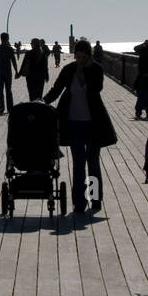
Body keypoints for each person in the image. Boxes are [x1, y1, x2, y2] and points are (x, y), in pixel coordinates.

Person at [44, 38, 116, 214]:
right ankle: (79, 202)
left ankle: (96, 199)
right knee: (78, 164)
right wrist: (42, 101)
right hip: (73, 122)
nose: (80, 60)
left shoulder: (96, 69)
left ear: (89, 56)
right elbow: (57, 88)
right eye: (77, 57)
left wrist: (85, 72)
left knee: (93, 163)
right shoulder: (69, 70)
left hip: (93, 123)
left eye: (83, 57)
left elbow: (96, 89)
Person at [0, 31, 18, 115]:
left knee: (0, 91)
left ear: (1, 38)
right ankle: (10, 108)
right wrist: (16, 71)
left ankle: (1, 108)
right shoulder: (10, 49)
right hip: (8, 72)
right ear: (7, 38)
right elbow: (13, 61)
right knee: (8, 91)